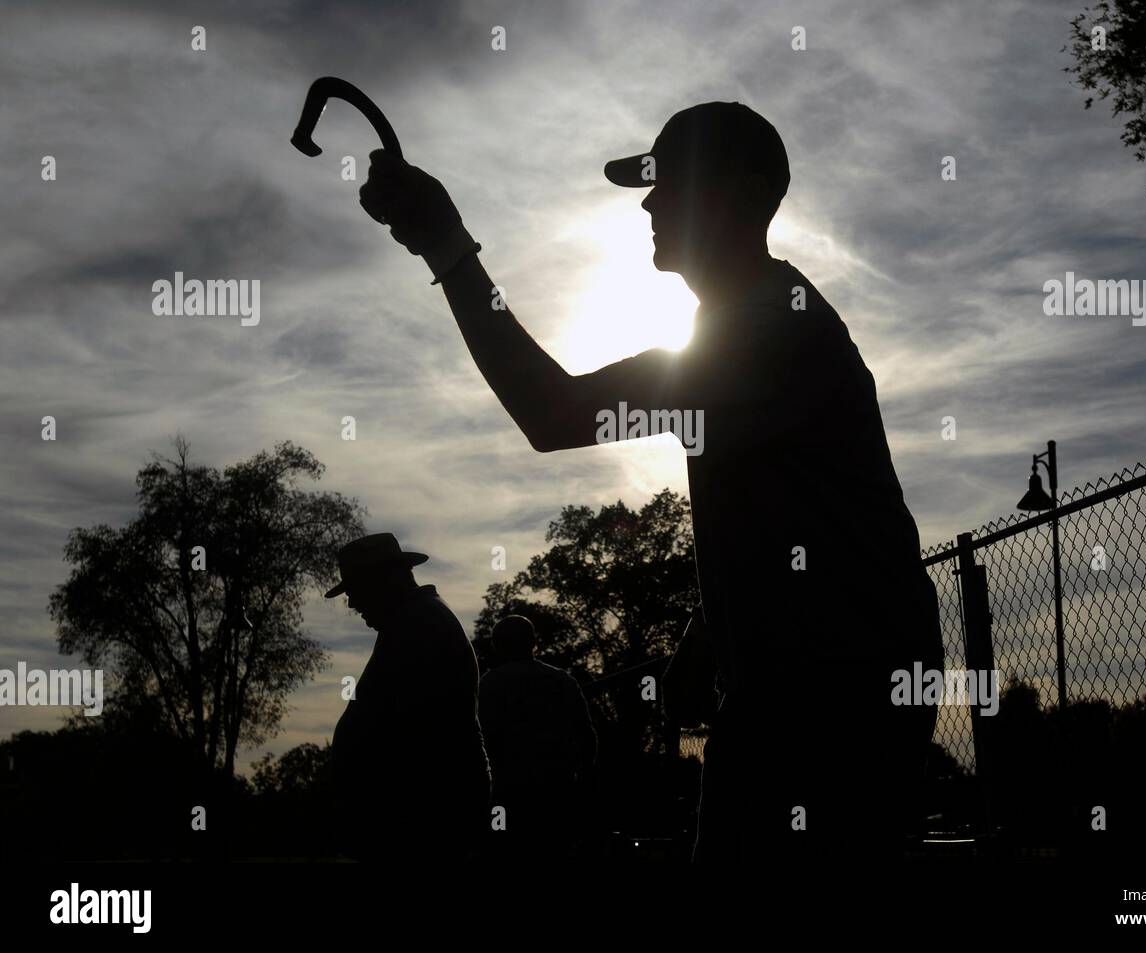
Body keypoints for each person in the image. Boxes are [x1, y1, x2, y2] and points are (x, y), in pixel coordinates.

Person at [357, 102, 944, 863]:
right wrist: (709, 636)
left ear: (733, 191)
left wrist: (445, 244)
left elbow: (551, 411)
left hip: (832, 697)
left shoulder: (766, 332)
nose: (648, 201)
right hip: (828, 686)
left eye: (668, 183)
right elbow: (787, 517)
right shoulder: (753, 326)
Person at [327, 533, 491, 861]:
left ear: (387, 579)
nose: (352, 602)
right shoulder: (412, 620)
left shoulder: (418, 623)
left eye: (357, 589)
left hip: (429, 811)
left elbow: (404, 728)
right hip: (426, 807)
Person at [477, 615, 597, 858]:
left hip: (506, 792)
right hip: (556, 795)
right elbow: (587, 737)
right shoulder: (562, 681)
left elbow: (477, 740)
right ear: (532, 642)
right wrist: (580, 781)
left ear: (497, 645)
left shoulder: (489, 685)